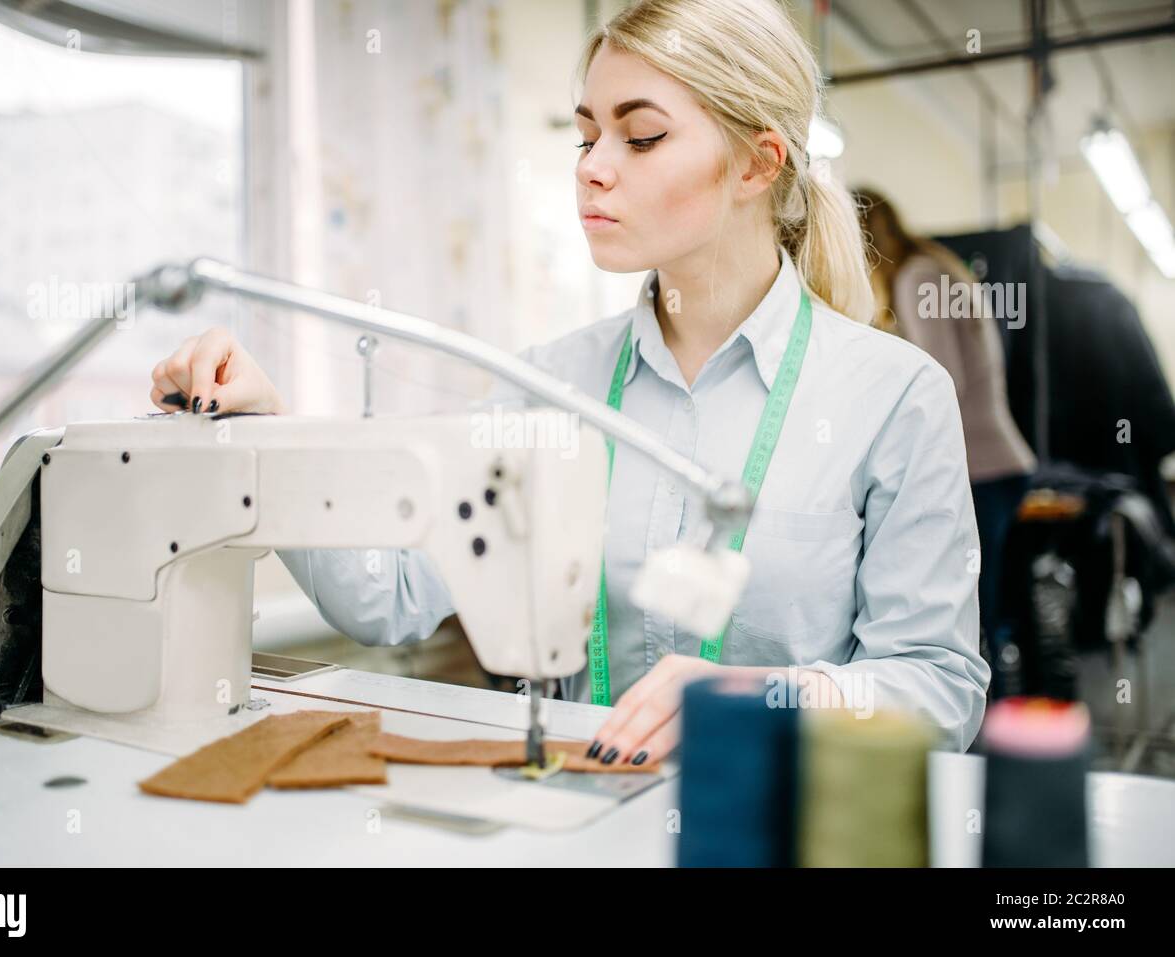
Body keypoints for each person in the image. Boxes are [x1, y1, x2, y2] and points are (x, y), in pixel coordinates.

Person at [149, 0, 990, 756]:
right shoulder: (549, 383)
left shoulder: (894, 395)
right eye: (586, 135)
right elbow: (391, 596)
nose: (591, 167)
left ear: (756, 164)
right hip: (586, 815)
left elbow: (941, 690)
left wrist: (764, 699)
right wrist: (263, 427)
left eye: (642, 136)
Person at [855, 187, 1036, 644]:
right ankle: (1002, 709)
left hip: (982, 468)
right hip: (996, 463)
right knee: (988, 610)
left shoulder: (918, 276)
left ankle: (988, 715)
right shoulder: (936, 267)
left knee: (973, 619)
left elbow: (940, 380)